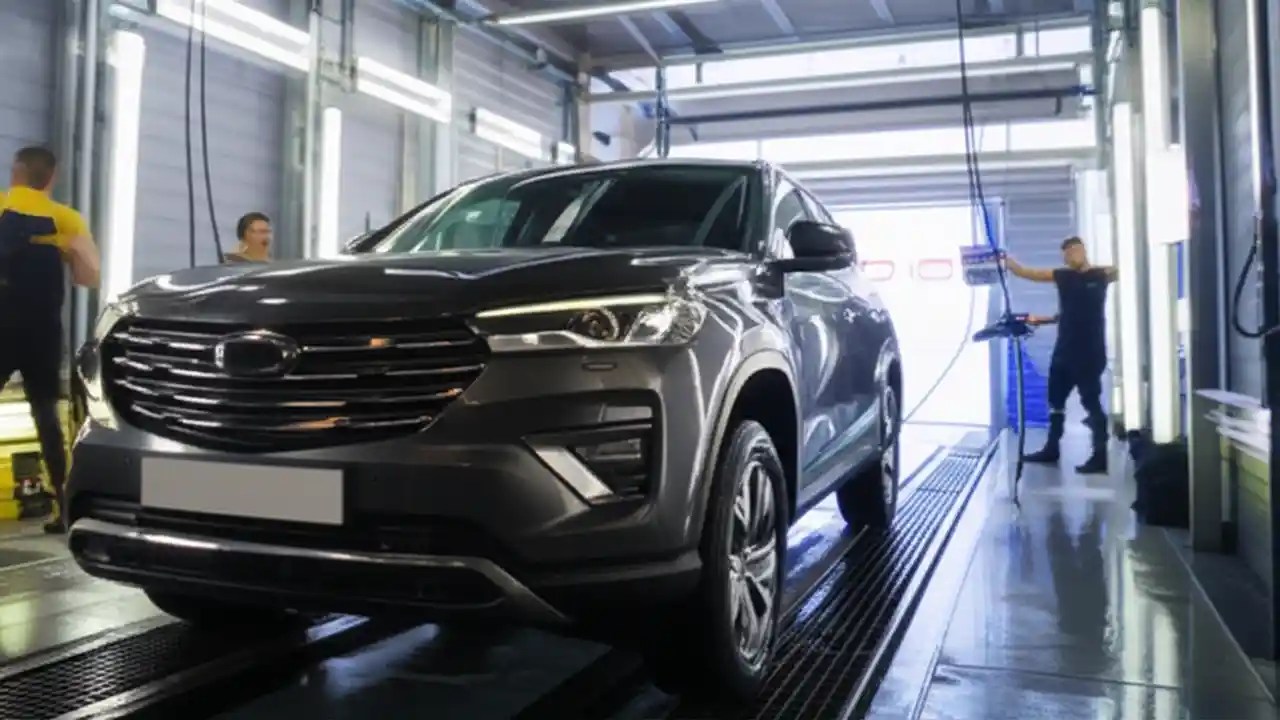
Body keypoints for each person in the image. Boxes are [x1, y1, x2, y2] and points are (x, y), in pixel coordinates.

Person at [0, 146, 101, 533]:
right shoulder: (65, 218)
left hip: (3, 325)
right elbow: (89, 276)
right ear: (52, 177)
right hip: (43, 330)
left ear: (17, 171)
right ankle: (63, 507)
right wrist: (62, 245)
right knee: (46, 417)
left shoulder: (4, 206)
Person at [1003, 236, 1117, 474]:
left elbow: (1127, 268)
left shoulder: (1101, 275)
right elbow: (1028, 273)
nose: (1069, 256)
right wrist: (1009, 263)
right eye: (1065, 253)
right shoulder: (1063, 276)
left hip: (1090, 352)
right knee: (1055, 401)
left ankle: (1100, 456)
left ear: (1083, 251)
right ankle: (1052, 448)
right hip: (1064, 351)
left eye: (1073, 251)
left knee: (1091, 401)